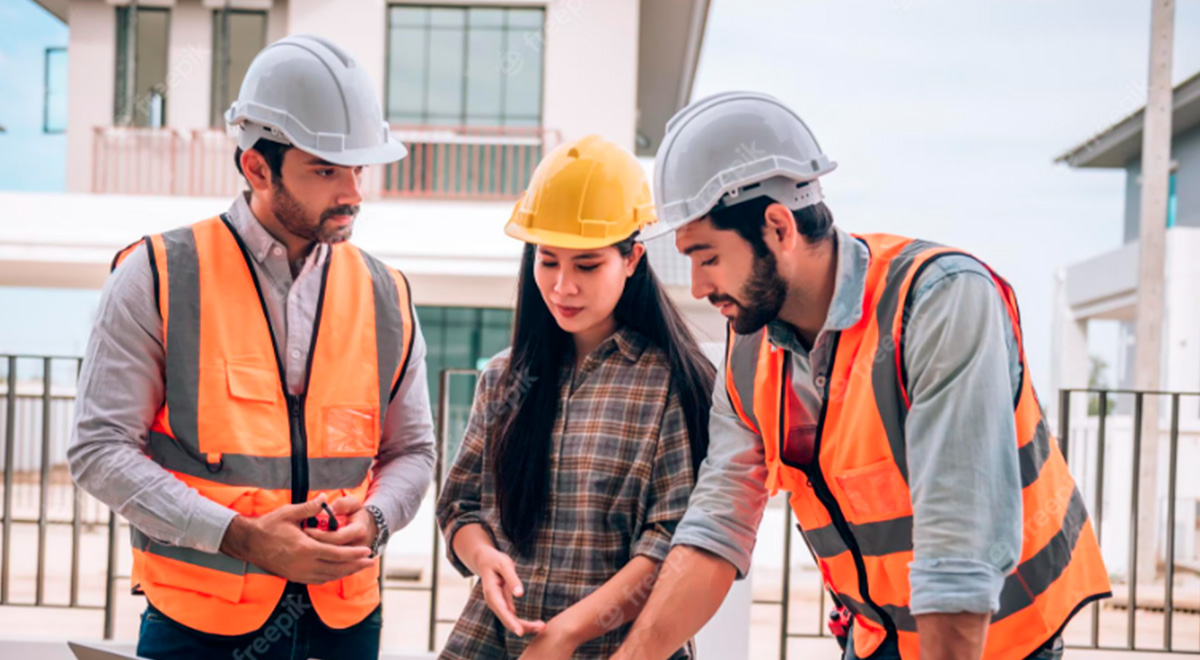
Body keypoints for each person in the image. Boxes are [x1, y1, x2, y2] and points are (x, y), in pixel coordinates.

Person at [611, 92, 1111, 660]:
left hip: (996, 641)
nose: (698, 287)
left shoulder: (938, 301)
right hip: (876, 638)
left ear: (777, 227)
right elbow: (716, 526)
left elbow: (958, 547)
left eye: (707, 257)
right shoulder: (748, 351)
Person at [68, 35, 436, 660]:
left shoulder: (386, 294)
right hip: (196, 624)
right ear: (257, 168)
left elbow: (413, 451)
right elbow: (99, 451)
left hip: (344, 625)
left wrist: (373, 524)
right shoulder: (158, 275)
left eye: (358, 168)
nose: (352, 192)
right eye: (325, 169)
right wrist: (241, 538)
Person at [435, 135, 715, 659]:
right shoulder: (502, 378)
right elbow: (459, 504)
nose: (563, 287)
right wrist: (483, 560)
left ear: (632, 259)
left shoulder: (669, 385)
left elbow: (673, 543)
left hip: (615, 648)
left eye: (587, 265)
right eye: (548, 261)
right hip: (496, 640)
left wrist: (568, 633)